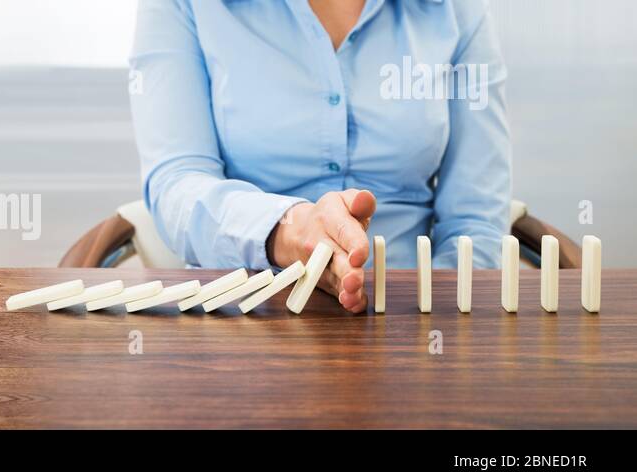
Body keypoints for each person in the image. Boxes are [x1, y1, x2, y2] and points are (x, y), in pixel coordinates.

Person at [130, 0, 511, 313]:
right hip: (246, 312)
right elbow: (176, 182)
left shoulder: (459, 11)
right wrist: (290, 231)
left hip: (413, 316)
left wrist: (434, 312)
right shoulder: (184, 7)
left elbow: (476, 215)